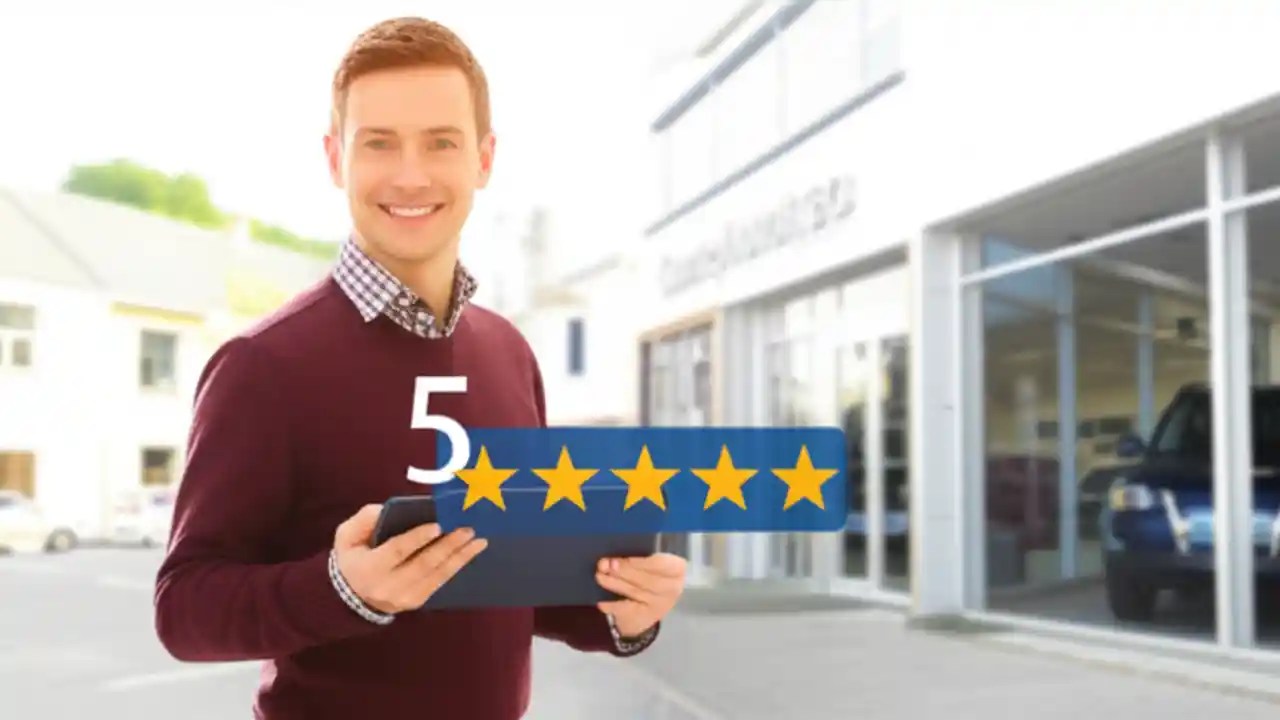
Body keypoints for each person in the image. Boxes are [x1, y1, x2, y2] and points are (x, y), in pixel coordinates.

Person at [153, 16, 686, 720]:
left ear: (484, 159)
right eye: (379, 143)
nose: (411, 175)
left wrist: (623, 610)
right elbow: (184, 609)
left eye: (441, 142)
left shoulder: (508, 353)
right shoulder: (262, 366)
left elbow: (508, 577)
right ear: (336, 159)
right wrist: (342, 589)